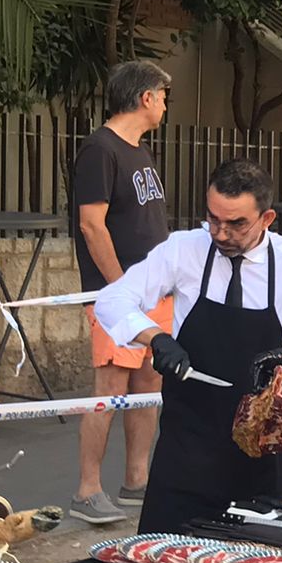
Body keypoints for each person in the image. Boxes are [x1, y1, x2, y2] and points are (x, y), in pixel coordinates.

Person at [97, 159, 282, 530]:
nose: (220, 233)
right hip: (186, 448)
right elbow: (113, 300)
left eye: (236, 224)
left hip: (258, 451)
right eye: (213, 219)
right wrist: (156, 338)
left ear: (267, 218)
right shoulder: (183, 250)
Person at [68, 60, 172, 526]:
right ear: (146, 97)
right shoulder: (100, 149)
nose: (166, 106)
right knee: (109, 388)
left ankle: (137, 480)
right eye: (163, 96)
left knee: (149, 383)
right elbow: (93, 225)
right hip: (119, 295)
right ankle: (87, 489)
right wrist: (119, 290)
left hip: (154, 293)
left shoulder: (138, 151)